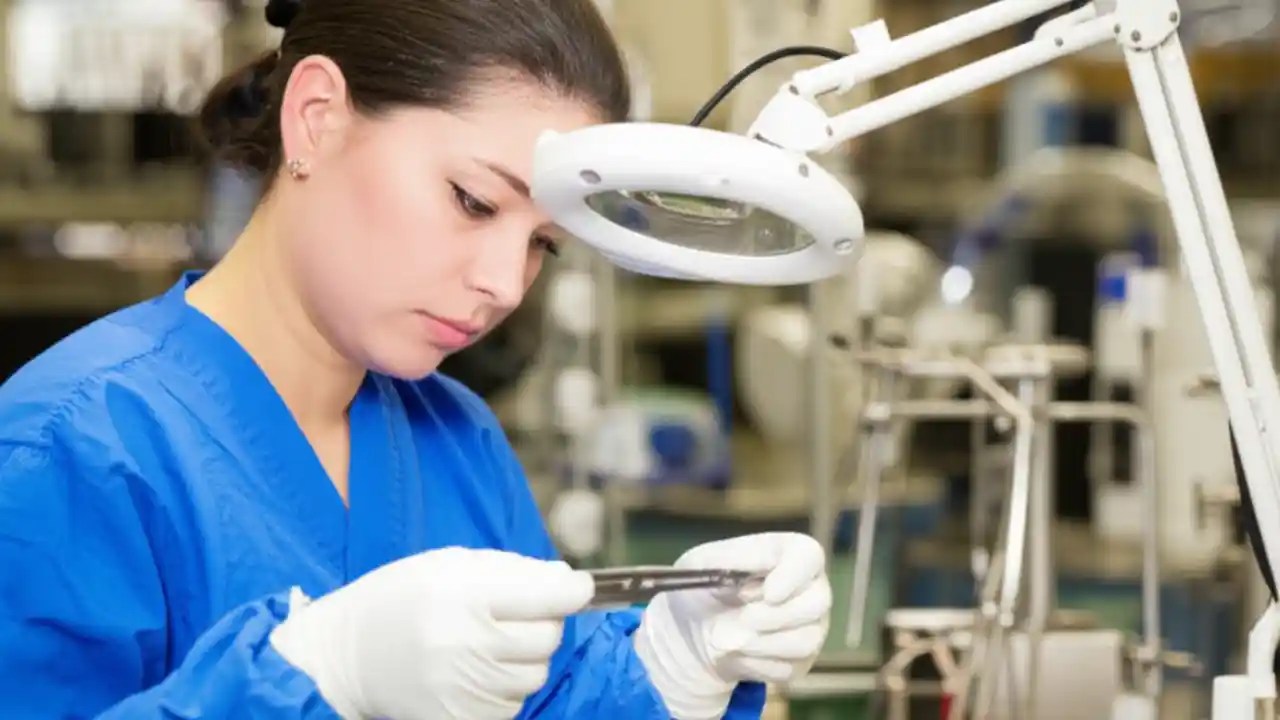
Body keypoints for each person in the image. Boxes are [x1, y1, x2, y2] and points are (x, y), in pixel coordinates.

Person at [0, 0, 833, 718]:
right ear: (317, 117)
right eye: (473, 201)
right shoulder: (73, 450)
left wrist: (671, 671)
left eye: (542, 242)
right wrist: (314, 681)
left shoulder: (456, 439)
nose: (505, 285)